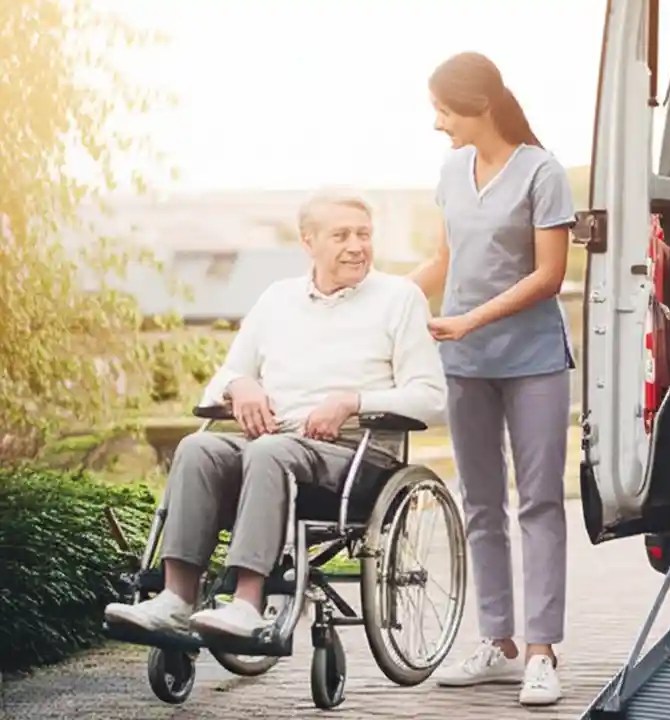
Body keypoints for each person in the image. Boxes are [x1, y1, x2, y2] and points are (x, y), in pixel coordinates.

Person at [104, 188, 447, 639]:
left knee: (269, 452)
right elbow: (224, 376)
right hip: (275, 444)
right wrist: (239, 385)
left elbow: (431, 397)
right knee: (199, 447)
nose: (356, 246)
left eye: (364, 234)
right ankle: (175, 599)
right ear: (308, 242)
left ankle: (248, 604)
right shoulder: (277, 298)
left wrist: (353, 401)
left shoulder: (399, 297)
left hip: (356, 455)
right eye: (341, 235)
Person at [408, 51, 575, 707]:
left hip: (531, 360)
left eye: (444, 110)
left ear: (478, 105)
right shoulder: (451, 171)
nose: (438, 123)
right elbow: (446, 259)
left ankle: (541, 651)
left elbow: (549, 276)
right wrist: (386, 297)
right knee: (479, 503)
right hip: (465, 362)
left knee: (537, 503)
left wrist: (469, 319)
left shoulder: (544, 172)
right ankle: (498, 642)